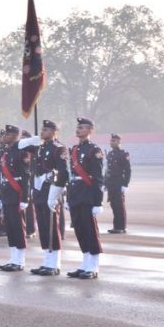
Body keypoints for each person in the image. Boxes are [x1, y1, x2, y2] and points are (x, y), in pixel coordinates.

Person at [66, 117, 105, 279]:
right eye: (77, 127)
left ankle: (93, 267)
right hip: (76, 194)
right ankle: (85, 263)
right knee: (80, 231)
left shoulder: (93, 150)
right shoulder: (75, 149)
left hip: (88, 195)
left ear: (90, 130)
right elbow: (70, 176)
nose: (78, 129)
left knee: (90, 231)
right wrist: (69, 198)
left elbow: (98, 178)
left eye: (82, 127)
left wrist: (98, 201)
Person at [0, 125, 38, 271]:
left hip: (16, 192)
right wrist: (1, 196)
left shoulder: (22, 152)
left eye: (8, 134)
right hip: (7, 192)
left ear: (16, 136)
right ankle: (13, 258)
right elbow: (3, 176)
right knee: (10, 227)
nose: (5, 136)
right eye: (5, 134)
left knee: (18, 227)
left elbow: (26, 176)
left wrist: (24, 198)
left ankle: (20, 261)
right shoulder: (6, 152)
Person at [30, 120, 69, 276]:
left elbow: (63, 172)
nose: (42, 132)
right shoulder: (40, 148)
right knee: (44, 227)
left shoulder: (58, 149)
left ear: (54, 132)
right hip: (40, 191)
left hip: (50, 190)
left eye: (46, 129)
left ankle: (54, 264)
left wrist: (55, 194)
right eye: (42, 129)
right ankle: (46, 262)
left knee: (52, 227)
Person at [105, 133, 131, 234]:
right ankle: (116, 226)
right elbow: (108, 170)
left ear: (119, 142)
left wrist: (125, 184)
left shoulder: (123, 154)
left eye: (114, 141)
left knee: (119, 205)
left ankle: (121, 227)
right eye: (111, 141)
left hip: (119, 183)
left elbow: (127, 171)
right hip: (111, 183)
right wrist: (105, 182)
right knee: (113, 205)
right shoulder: (110, 154)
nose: (112, 142)